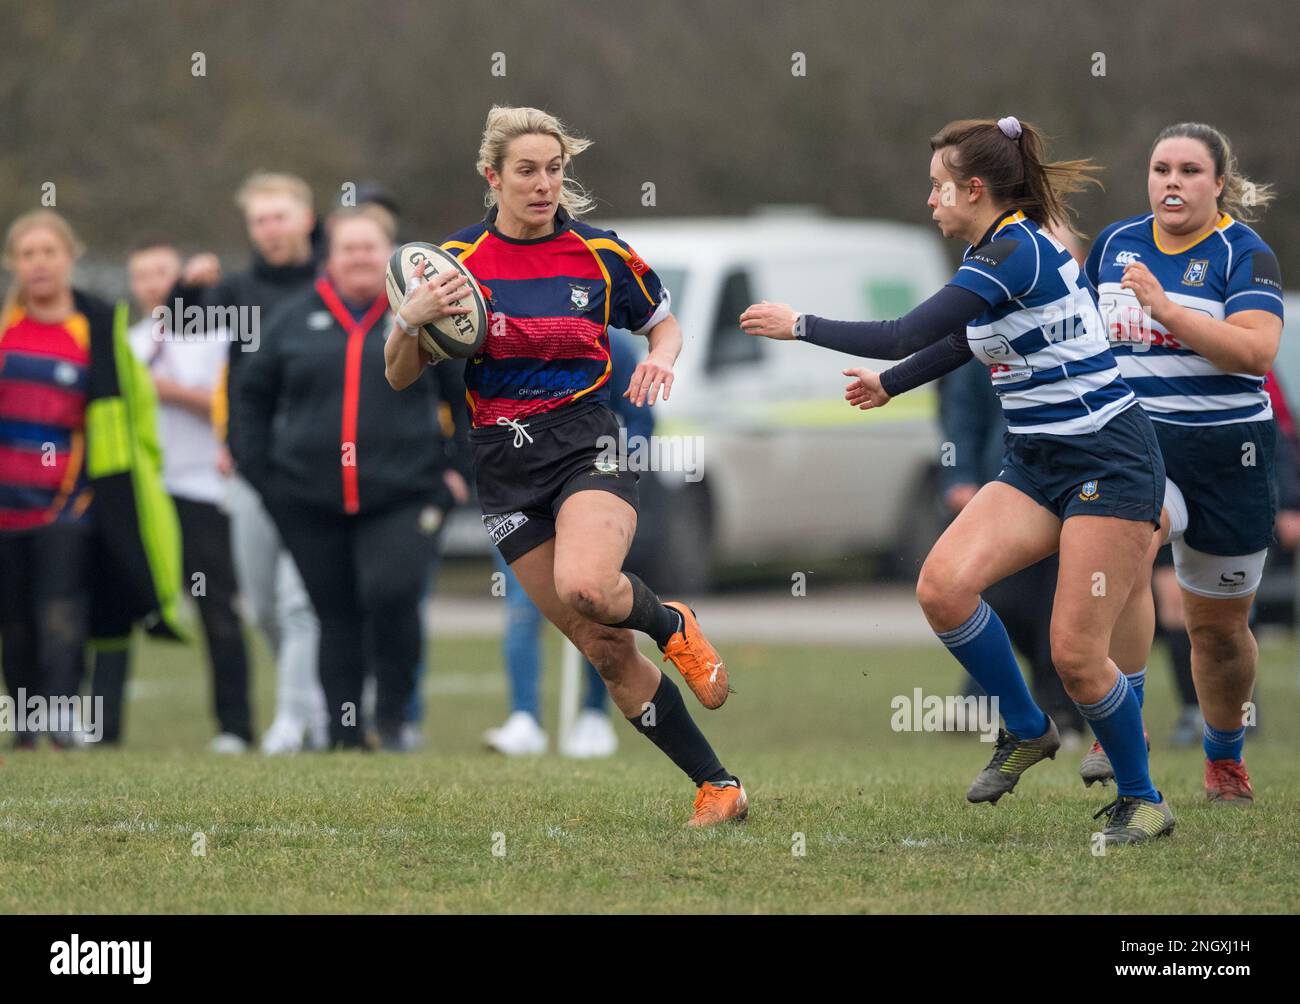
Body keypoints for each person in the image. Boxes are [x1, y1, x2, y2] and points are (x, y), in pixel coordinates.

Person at [742, 116, 1175, 845]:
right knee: (942, 587)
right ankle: (1028, 729)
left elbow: (909, 329)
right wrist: (892, 385)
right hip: (1038, 463)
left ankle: (1145, 798)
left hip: (1110, 461)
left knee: (1074, 653)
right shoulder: (993, 251)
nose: (930, 200)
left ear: (975, 189)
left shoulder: (1015, 250)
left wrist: (803, 324)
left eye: (939, 187)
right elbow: (956, 343)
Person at [385, 105, 746, 827]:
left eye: (554, 169)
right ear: (493, 177)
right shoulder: (456, 269)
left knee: (588, 585)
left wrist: (663, 361)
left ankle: (672, 621)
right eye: (527, 170)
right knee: (605, 649)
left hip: (589, 446)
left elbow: (662, 323)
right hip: (503, 468)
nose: (544, 184)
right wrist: (409, 318)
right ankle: (718, 786)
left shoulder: (600, 254)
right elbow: (398, 375)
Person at [1086, 123, 1284, 805]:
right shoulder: (1116, 244)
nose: (1172, 182)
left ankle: (1224, 757)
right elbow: (1081, 337)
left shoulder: (1245, 254)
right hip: (1138, 444)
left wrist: (1165, 307)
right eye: (1160, 168)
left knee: (1219, 633)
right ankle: (1123, 719)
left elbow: (1255, 353)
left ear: (1219, 183)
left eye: (1190, 171)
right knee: (1129, 552)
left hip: (1231, 455)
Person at [235, 206, 460, 750]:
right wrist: (268, 481)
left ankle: (393, 720)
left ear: (390, 253)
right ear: (329, 257)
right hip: (310, 499)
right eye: (347, 248)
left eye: (370, 246)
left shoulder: (427, 319)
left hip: (404, 494)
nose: (359, 257)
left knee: (391, 593)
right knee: (333, 615)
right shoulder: (292, 319)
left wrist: (457, 473)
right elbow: (248, 401)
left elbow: (468, 401)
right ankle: (344, 734)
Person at [1, 210, 183, 748]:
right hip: (6, 506)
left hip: (67, 504)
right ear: (15, 262)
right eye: (27, 254)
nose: (39, 264)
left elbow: (129, 411)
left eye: (48, 252)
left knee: (62, 615)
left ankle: (60, 719)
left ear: (69, 257)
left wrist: (128, 481)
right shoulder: (6, 326)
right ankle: (25, 725)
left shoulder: (98, 324)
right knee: (14, 623)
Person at [170, 172, 325, 753]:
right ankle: (317, 705)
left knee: (299, 601)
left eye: (280, 216)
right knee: (262, 605)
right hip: (250, 470)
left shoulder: (330, 282)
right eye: (260, 219)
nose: (270, 229)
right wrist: (187, 287)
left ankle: (291, 722)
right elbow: (181, 326)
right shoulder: (236, 290)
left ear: (306, 219)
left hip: (316, 467)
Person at [87, 240, 252, 746]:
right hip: (139, 498)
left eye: (163, 272)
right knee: (116, 606)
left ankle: (235, 729)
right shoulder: (127, 344)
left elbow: (229, 406)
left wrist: (166, 392)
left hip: (201, 490)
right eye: (142, 275)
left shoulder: (216, 335)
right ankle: (103, 728)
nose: (153, 283)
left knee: (216, 610)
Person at [483, 330, 652, 758]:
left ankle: (593, 716)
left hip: (589, 492)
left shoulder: (617, 345)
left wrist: (608, 474)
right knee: (523, 608)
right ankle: (525, 717)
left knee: (593, 601)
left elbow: (640, 422)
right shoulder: (519, 330)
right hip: (523, 493)